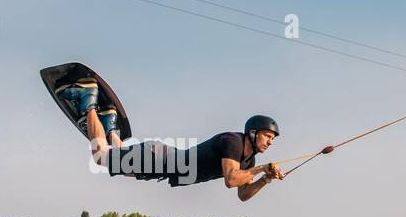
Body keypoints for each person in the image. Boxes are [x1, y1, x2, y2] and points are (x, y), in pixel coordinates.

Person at [56, 78, 286, 202]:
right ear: (253, 133)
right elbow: (231, 180)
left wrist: (265, 179)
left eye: (272, 139)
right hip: (159, 159)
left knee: (123, 168)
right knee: (100, 157)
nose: (270, 142)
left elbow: (243, 195)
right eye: (267, 136)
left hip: (161, 165)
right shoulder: (233, 143)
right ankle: (88, 101)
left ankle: (109, 122)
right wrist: (262, 168)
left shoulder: (247, 160)